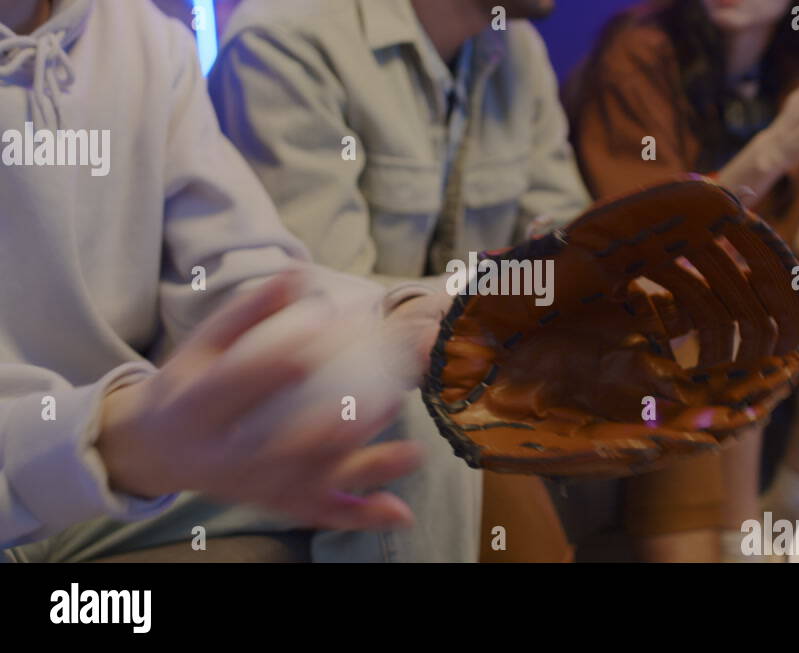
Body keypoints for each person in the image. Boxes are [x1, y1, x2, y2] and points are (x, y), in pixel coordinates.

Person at [0, 0, 453, 563]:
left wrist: (383, 320)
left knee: (402, 400)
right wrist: (106, 439)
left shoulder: (148, 38)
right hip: (53, 473)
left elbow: (237, 274)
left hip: (129, 458)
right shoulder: (282, 35)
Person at [209, 0, 592, 562]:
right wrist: (513, 294)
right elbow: (325, 302)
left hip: (468, 355)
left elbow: (571, 247)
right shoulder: (285, 37)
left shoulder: (516, 45)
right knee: (417, 377)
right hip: (315, 374)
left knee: (673, 348)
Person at [566, 0, 799, 558]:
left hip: (747, 263)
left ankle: (793, 503)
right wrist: (772, 150)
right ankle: (741, 539)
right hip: (646, 284)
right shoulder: (642, 48)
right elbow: (645, 237)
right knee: (753, 294)